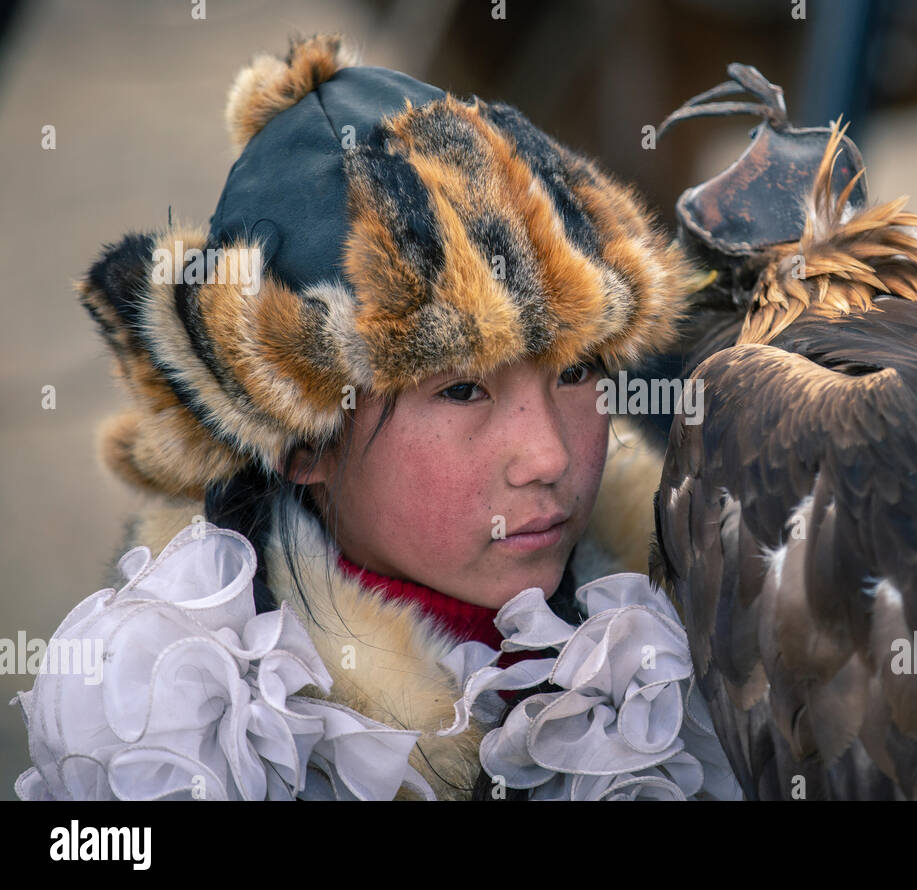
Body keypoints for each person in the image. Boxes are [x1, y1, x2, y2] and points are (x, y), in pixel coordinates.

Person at [13, 32, 739, 801]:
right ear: (302, 442)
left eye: (578, 369)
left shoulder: (679, 627)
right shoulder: (189, 730)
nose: (549, 456)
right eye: (462, 389)